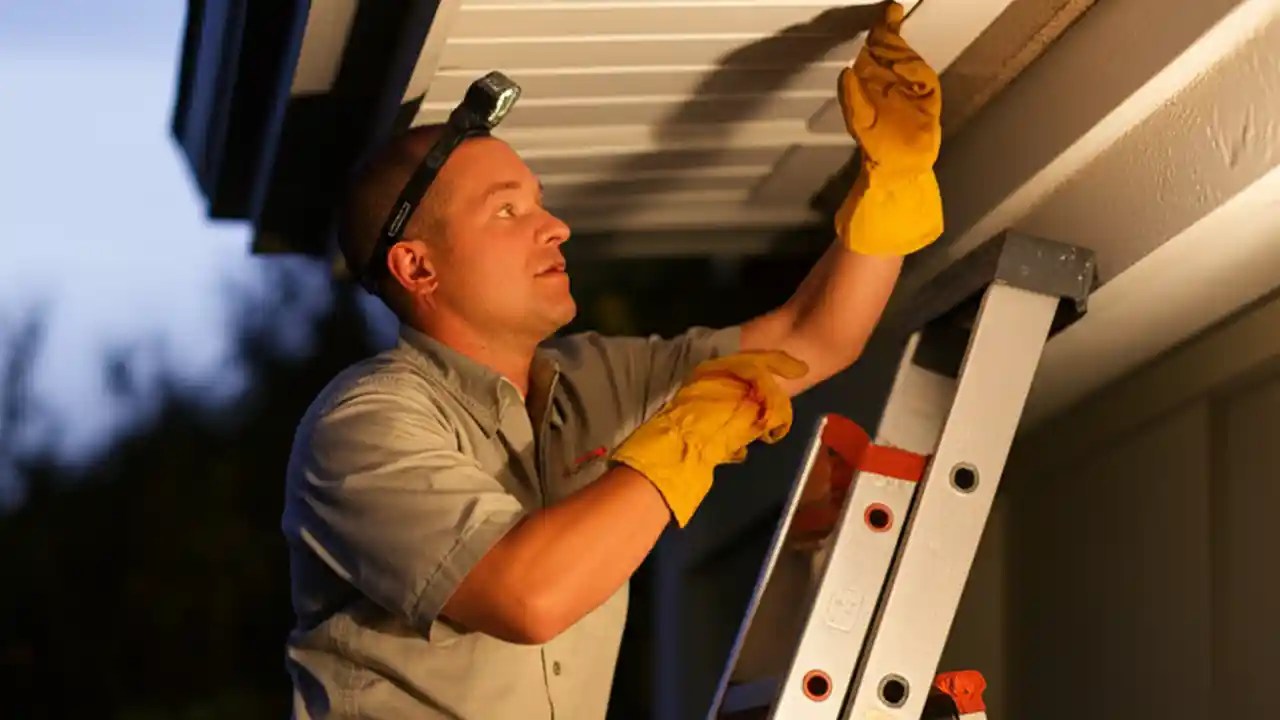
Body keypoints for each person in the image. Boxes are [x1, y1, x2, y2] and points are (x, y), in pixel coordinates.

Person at [281, 3, 943, 718]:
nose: (554, 225)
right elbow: (528, 597)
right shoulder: (363, 428)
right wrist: (686, 439)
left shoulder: (593, 379)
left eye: (539, 202)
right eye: (508, 211)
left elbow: (810, 341)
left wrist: (893, 187)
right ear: (417, 266)